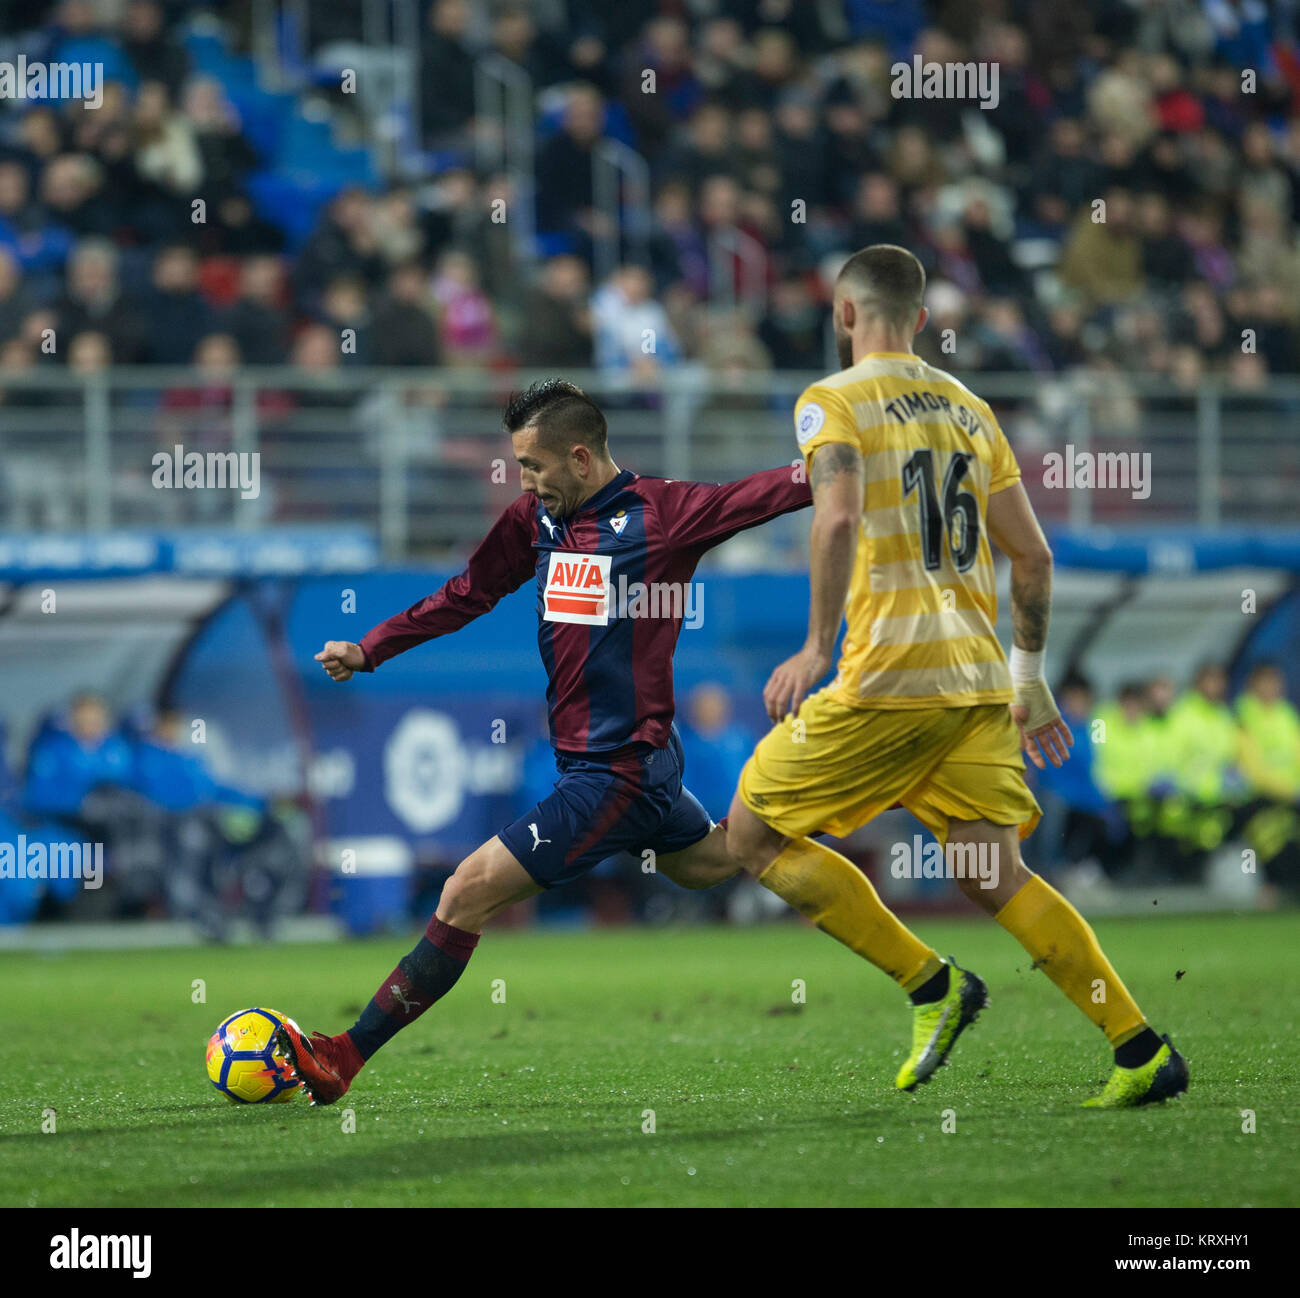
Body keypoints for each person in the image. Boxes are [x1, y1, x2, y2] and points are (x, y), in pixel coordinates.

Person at [715, 245, 1186, 1108]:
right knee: (993, 872)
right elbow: (1033, 558)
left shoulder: (832, 400)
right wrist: (1030, 676)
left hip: (888, 678)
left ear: (843, 313)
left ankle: (932, 985)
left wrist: (817, 644)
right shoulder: (971, 408)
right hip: (975, 683)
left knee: (750, 834)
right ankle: (1139, 1046)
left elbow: (838, 519)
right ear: (923, 320)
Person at [275, 378, 811, 1103]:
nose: (523, 480)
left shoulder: (666, 513)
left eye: (533, 465)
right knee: (711, 861)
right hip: (624, 767)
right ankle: (818, 803)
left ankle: (344, 1053)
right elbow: (468, 591)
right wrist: (373, 648)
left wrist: (851, 456)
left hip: (616, 772)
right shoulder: (539, 520)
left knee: (464, 892)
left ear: (581, 458)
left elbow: (775, 490)